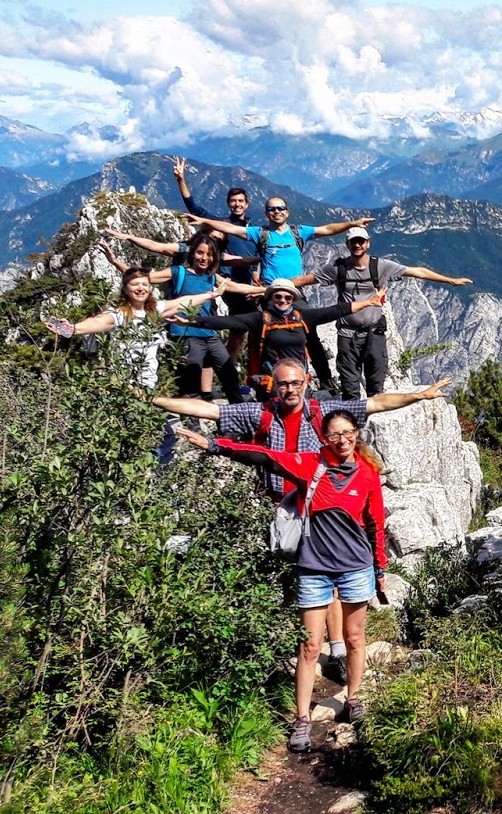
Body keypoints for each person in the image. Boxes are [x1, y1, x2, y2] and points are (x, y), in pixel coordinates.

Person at [152, 358, 452, 682]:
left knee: (328, 576)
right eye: (283, 384)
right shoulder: (262, 412)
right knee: (293, 581)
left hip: (318, 507)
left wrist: (420, 396)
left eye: (296, 383)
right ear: (274, 385)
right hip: (279, 507)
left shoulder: (322, 413)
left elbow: (376, 403)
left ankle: (336, 650)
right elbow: (210, 412)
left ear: (306, 382)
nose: (290, 389)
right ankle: (297, 645)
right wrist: (152, 400)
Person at [176, 409, 387, 752]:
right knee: (310, 646)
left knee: (354, 636)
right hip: (314, 567)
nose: (343, 440)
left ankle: (354, 698)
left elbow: (376, 523)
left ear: (357, 433)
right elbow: (265, 456)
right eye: (335, 435)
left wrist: (379, 567)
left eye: (348, 433)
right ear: (325, 438)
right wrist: (215, 445)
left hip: (355, 566)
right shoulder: (310, 465)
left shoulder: (367, 475)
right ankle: (302, 718)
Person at [184, 198, 373, 393]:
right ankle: (259, 381)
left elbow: (326, 229)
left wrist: (352, 224)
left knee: (310, 334)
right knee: (261, 339)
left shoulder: (297, 232)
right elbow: (230, 228)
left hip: (294, 293)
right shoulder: (261, 234)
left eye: (280, 208)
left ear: (287, 212)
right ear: (266, 213)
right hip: (270, 295)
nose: (277, 211)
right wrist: (203, 221)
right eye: (272, 209)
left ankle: (325, 378)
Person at [295, 225, 474, 398]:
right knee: (350, 387)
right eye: (353, 242)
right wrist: (275, 288)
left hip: (375, 334)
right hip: (347, 335)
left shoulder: (380, 266)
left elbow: (417, 271)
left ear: (368, 243)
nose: (357, 245)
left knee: (376, 386)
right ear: (347, 244)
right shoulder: (338, 268)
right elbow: (306, 280)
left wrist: (450, 281)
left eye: (361, 241)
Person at [172, 277, 384, 398]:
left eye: (287, 297)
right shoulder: (261, 319)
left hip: (300, 385)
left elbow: (336, 310)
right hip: (271, 386)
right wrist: (191, 322)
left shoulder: (303, 317)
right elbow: (228, 322)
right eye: (278, 296)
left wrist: (369, 302)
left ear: (293, 299)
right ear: (271, 298)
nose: (283, 300)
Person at [44, 266, 228, 391]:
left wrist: (212, 294)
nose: (140, 288)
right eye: (134, 284)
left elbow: (183, 302)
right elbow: (98, 322)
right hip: (124, 384)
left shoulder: (154, 311)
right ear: (125, 289)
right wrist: (72, 328)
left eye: (145, 284)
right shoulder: (119, 314)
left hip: (148, 384)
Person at [144, 232, 265, 404]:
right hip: (185, 332)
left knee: (228, 372)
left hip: (208, 333)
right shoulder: (179, 272)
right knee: (190, 380)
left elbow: (236, 287)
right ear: (192, 253)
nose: (204, 258)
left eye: (209, 254)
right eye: (200, 253)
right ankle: (191, 423)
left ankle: (238, 412)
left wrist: (267, 290)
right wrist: (117, 264)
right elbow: (146, 279)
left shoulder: (211, 277)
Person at [171, 156, 262, 371]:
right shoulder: (222, 225)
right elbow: (195, 208)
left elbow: (260, 256)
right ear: (228, 204)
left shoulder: (255, 231)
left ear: (247, 204)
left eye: (241, 201)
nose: (237, 204)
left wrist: (258, 277)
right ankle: (228, 370)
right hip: (232, 286)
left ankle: (254, 373)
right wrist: (181, 181)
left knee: (257, 332)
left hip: (253, 285)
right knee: (239, 332)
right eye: (233, 201)